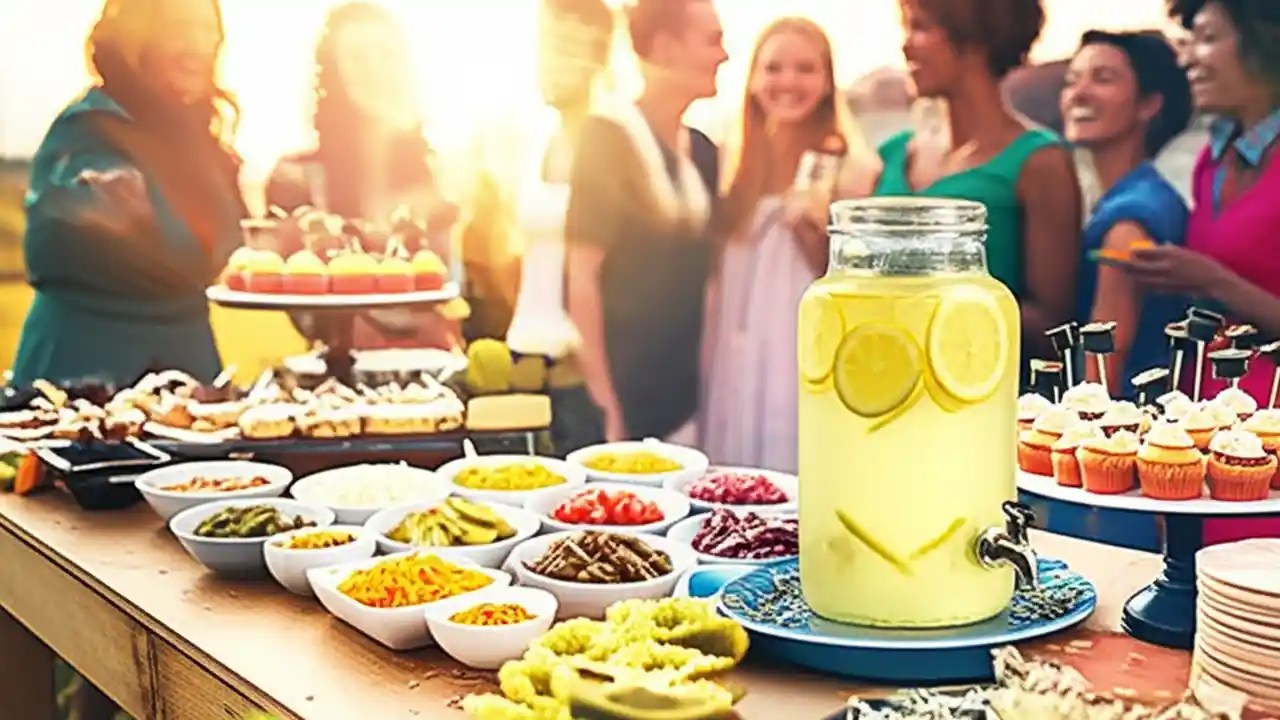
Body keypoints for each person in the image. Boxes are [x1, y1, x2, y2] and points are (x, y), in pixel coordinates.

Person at [13, 0, 244, 391]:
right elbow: (62, 209)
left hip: (191, 366)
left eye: (208, 30)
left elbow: (225, 246)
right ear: (135, 35)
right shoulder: (87, 127)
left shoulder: (201, 141)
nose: (197, 44)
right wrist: (93, 202)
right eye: (179, 27)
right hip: (84, 366)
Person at [1128, 0, 1280, 544]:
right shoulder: (1211, 162)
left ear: (1266, 41)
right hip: (1210, 425)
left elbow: (1223, 279)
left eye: (1209, 38)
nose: (1188, 57)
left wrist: (1211, 279)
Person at [700, 17, 878, 472]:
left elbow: (853, 284)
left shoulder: (852, 169)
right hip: (733, 346)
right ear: (753, 78)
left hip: (798, 342)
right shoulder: (732, 162)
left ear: (827, 81)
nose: (788, 82)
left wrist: (812, 226)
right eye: (774, 68)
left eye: (805, 69)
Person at [874, 0, 1081, 359]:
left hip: (975, 379)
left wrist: (943, 299)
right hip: (883, 372)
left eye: (920, 27)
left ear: (975, 39)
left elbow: (1053, 327)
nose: (905, 46)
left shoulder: (1040, 161)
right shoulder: (894, 153)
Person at [565, 0, 727, 443]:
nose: (724, 55)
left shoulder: (705, 152)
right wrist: (606, 408)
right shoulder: (605, 140)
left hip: (688, 402)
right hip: (623, 399)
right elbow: (581, 279)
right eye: (712, 40)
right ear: (664, 47)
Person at [265, 2, 461, 351]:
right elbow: (303, 311)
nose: (377, 70)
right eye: (358, 58)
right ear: (332, 74)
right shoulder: (296, 178)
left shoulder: (443, 173)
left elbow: (466, 295)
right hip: (337, 370)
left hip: (438, 367)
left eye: (388, 55)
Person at [1064, 31, 1193, 397]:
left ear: (1148, 104)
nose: (1079, 93)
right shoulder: (1136, 197)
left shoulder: (1130, 220)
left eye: (1103, 79)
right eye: (1072, 80)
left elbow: (1105, 359)